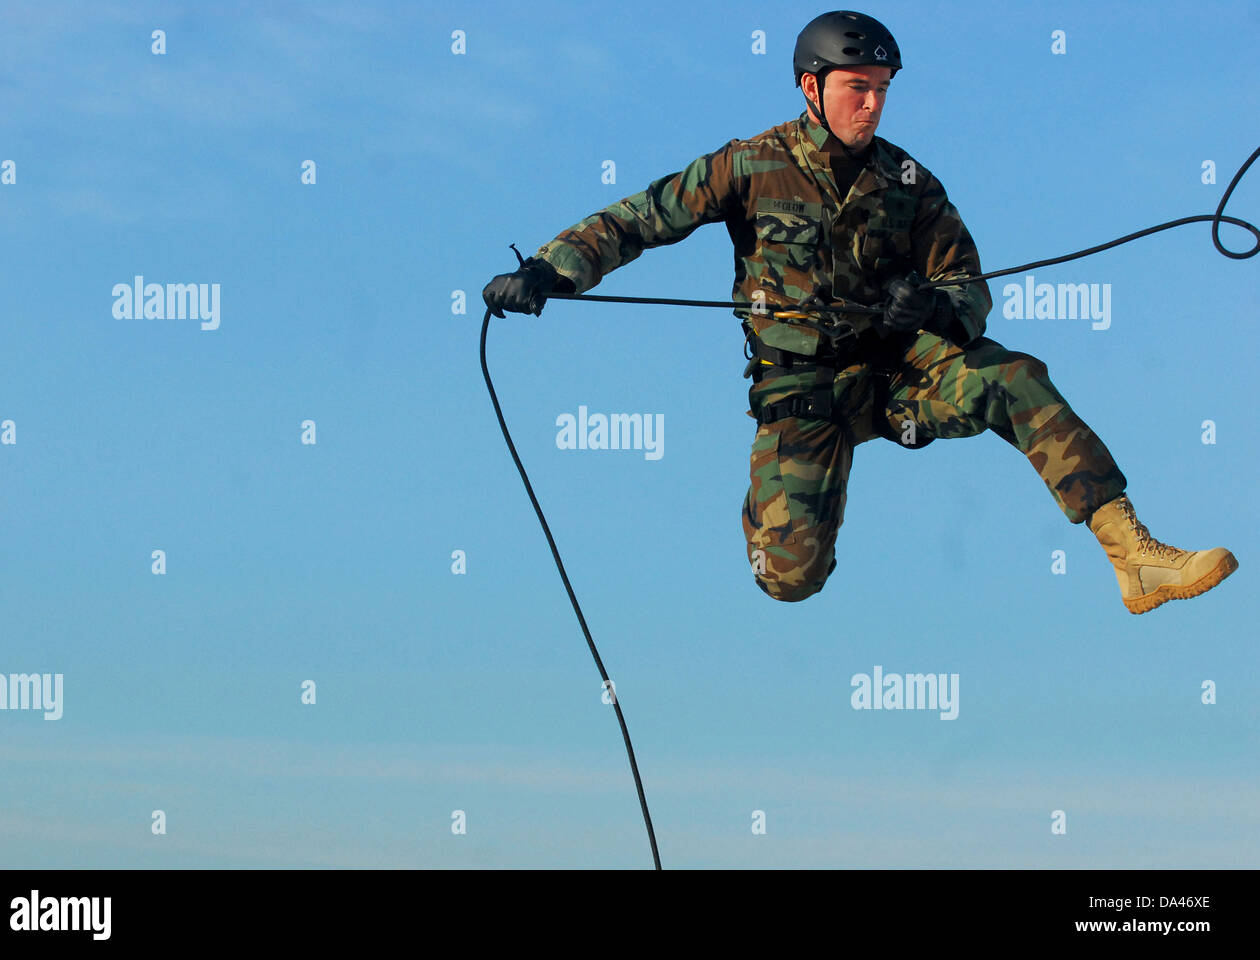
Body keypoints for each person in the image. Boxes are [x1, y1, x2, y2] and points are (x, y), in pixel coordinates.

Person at [483, 10, 1237, 614]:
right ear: (812, 88)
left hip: (893, 380)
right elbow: (638, 219)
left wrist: (936, 308)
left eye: (882, 89)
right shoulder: (748, 164)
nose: (872, 105)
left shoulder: (909, 181)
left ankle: (1132, 553)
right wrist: (550, 271)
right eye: (857, 88)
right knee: (790, 580)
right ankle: (775, 506)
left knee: (1011, 374)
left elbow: (970, 287)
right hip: (800, 393)